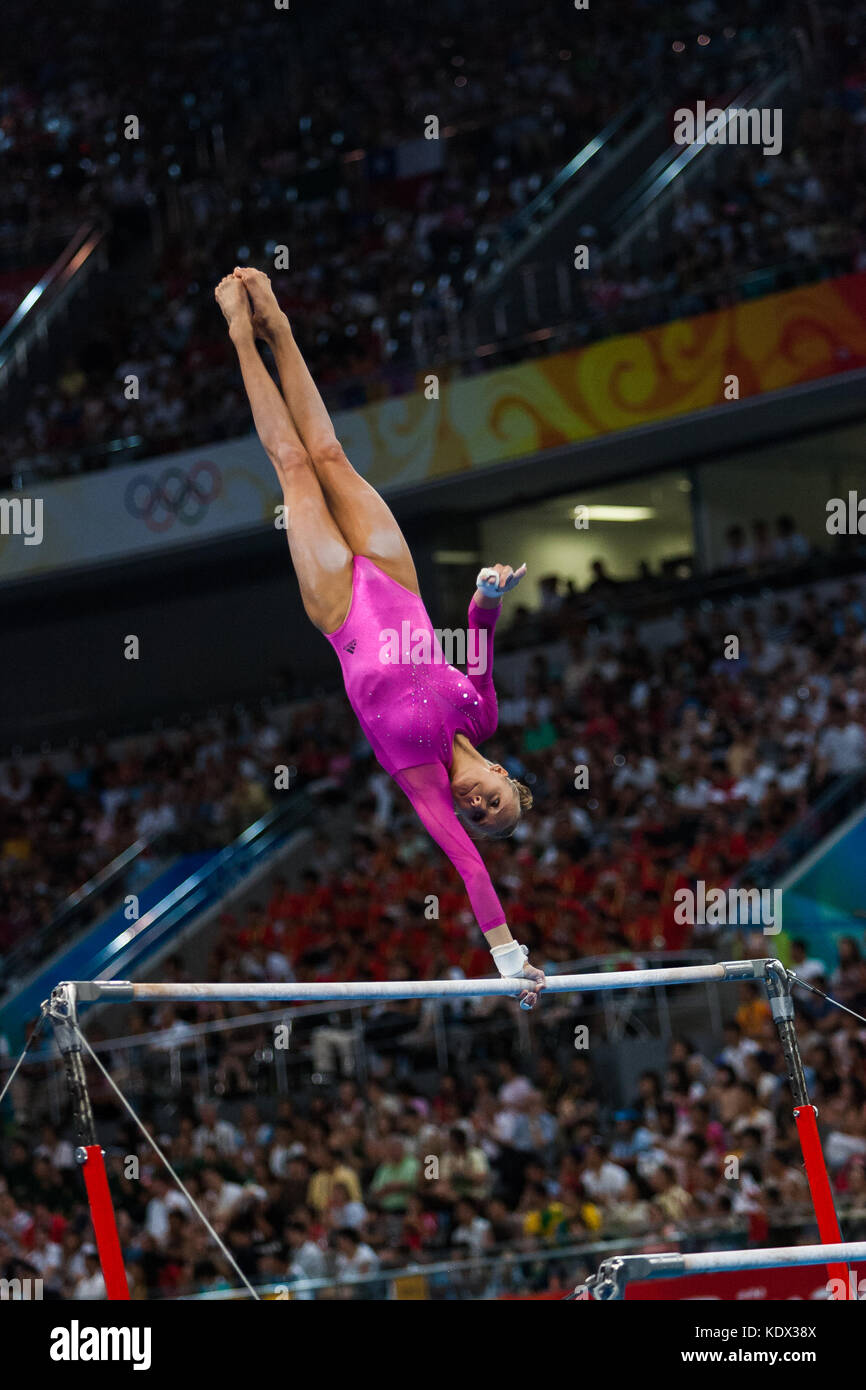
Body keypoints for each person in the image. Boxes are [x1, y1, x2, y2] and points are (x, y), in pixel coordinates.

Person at [215, 267, 545, 1008]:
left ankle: (241, 337)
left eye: (483, 819)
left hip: (339, 611)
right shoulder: (481, 715)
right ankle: (278, 324)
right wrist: (488, 593)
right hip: (398, 583)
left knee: (295, 468)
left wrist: (508, 956)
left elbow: (469, 870)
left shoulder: (423, 782)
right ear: (498, 771)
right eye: (496, 802)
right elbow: (479, 641)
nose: (481, 811)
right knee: (331, 453)